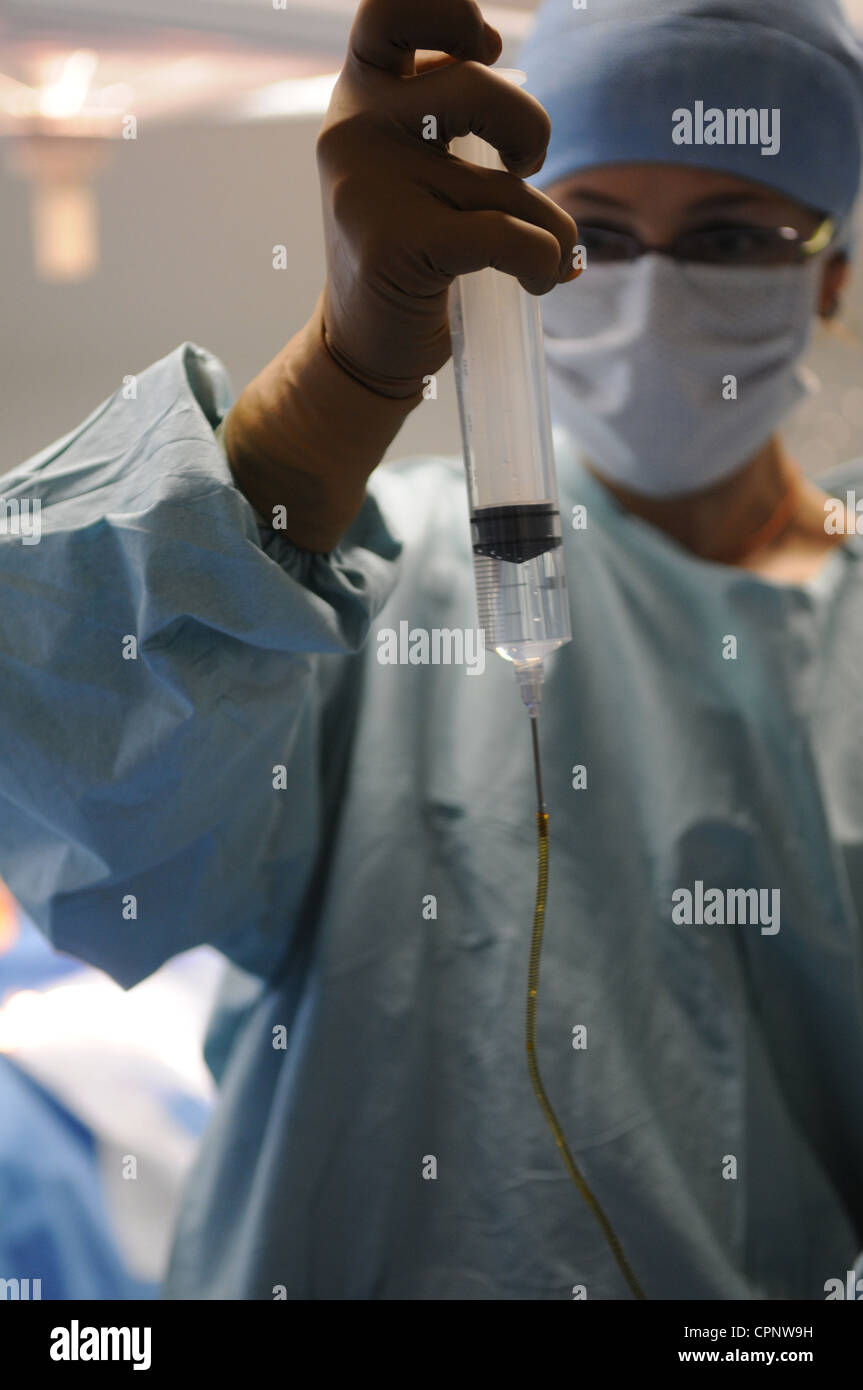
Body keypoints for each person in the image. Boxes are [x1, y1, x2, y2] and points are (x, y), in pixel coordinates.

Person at [1, 0, 863, 1299]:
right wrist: (338, 379)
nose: (650, 289)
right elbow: (76, 792)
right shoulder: (355, 580)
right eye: (595, 235)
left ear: (834, 266)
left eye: (733, 235)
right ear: (509, 255)